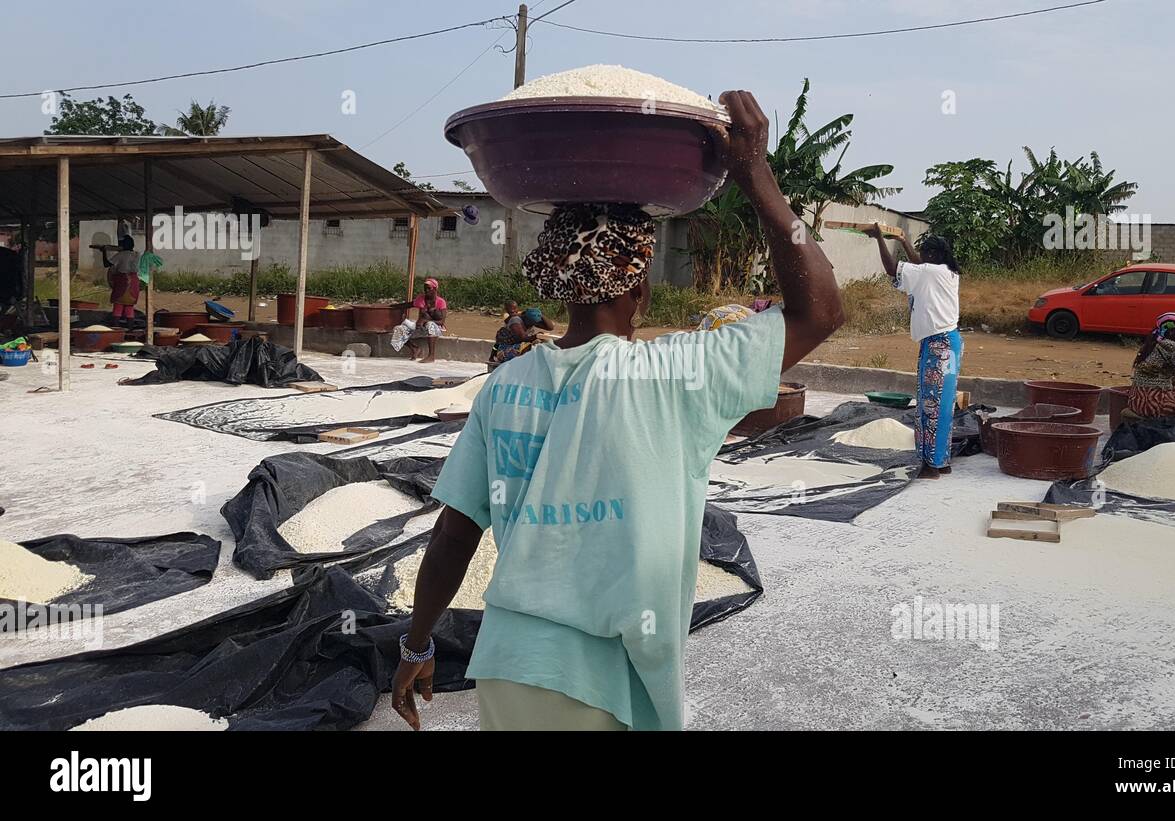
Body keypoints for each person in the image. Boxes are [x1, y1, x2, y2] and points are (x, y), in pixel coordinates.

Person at [390, 90, 844, 731]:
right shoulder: (675, 373)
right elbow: (821, 310)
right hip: (599, 684)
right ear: (640, 287)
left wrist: (416, 644)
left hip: (507, 666)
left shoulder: (504, 385)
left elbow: (454, 536)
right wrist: (754, 172)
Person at [867, 226, 962, 479]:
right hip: (950, 343)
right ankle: (941, 460)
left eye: (923, 253)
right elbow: (920, 265)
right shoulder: (947, 272)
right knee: (943, 405)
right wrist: (903, 240)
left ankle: (930, 466)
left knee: (930, 404)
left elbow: (892, 269)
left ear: (931, 254)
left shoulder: (929, 272)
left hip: (937, 345)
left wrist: (879, 239)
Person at [391, 278, 448, 363]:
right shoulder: (421, 299)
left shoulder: (440, 302)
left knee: (430, 324)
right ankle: (414, 348)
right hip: (421, 328)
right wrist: (392, 306)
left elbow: (441, 322)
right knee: (398, 329)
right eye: (425, 288)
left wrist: (425, 321)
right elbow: (408, 304)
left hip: (435, 330)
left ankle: (431, 356)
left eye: (429, 288)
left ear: (435, 289)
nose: (426, 290)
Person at [489, 305, 555, 369]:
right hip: (505, 350)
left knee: (546, 343)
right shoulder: (515, 321)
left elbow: (550, 327)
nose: (533, 324)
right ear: (526, 318)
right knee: (531, 346)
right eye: (532, 322)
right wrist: (536, 336)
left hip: (519, 347)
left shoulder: (530, 320)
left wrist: (540, 314)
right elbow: (523, 338)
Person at [101, 235, 140, 326]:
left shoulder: (121, 254)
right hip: (134, 282)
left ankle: (116, 329)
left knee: (118, 305)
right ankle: (130, 329)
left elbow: (107, 264)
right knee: (129, 307)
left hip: (123, 281)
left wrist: (104, 252)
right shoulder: (137, 254)